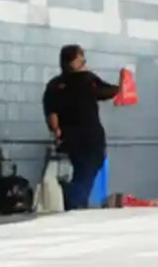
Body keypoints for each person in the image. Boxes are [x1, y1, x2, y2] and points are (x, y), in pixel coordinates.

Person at [42, 45, 120, 210]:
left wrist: (57, 133)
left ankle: (77, 202)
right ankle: (72, 196)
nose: (85, 62)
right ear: (74, 62)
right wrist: (121, 85)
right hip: (91, 136)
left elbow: (52, 116)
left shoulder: (53, 85)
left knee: (81, 169)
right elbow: (108, 92)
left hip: (69, 138)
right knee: (89, 169)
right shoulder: (87, 79)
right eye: (82, 59)